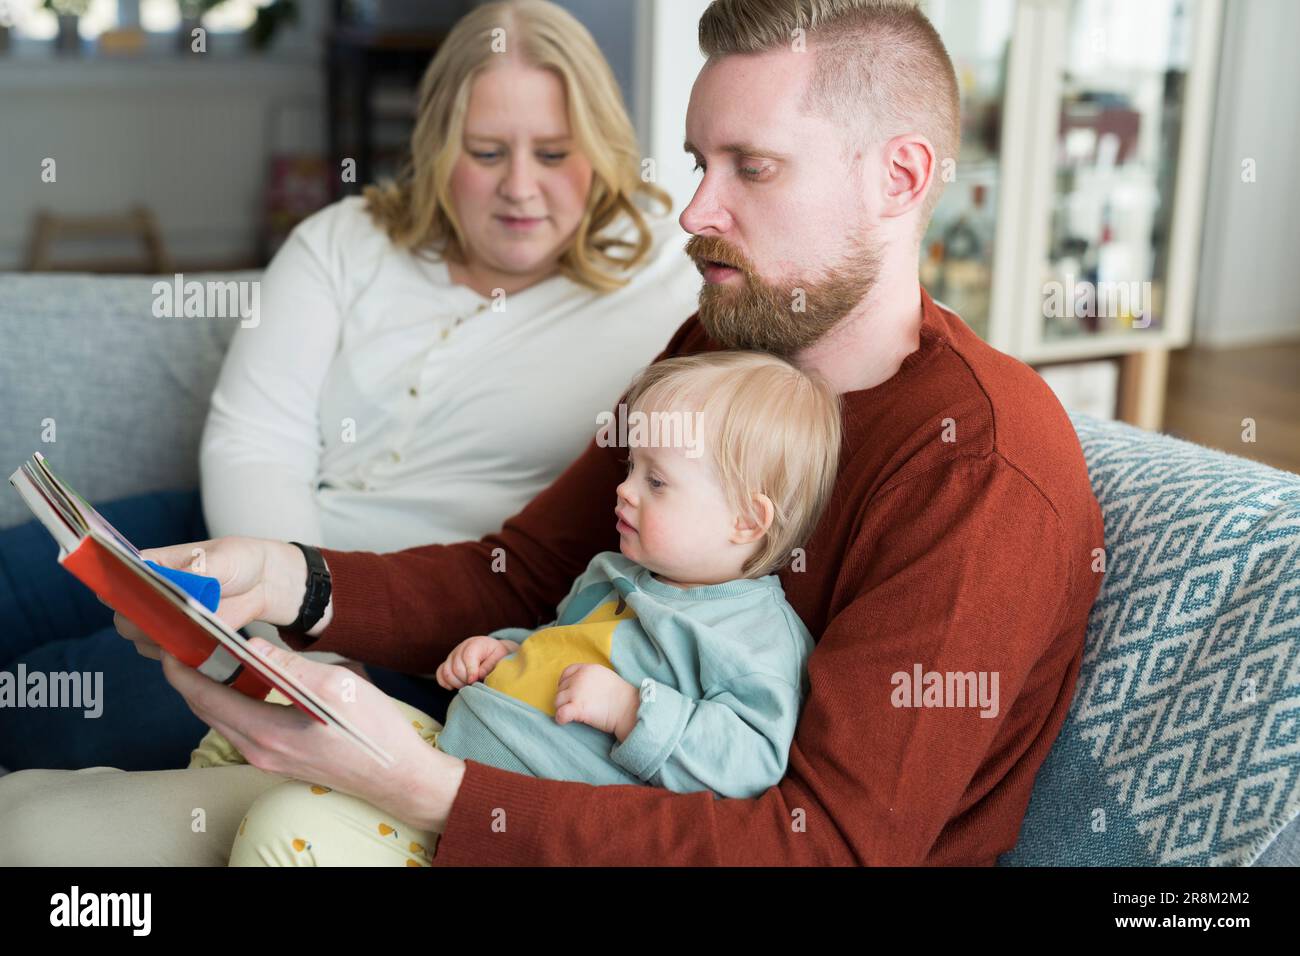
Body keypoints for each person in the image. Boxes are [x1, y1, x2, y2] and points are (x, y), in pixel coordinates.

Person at [0, 0, 1105, 867]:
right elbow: (522, 569)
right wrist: (293, 576)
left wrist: (428, 791)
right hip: (501, 784)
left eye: (751, 168)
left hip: (536, 819)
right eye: (696, 160)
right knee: (33, 829)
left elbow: (831, 843)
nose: (692, 212)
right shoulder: (717, 342)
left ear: (902, 178)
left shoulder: (978, 467)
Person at [0, 0, 700, 772]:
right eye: (488, 152)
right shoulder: (345, 239)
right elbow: (256, 441)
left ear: (602, 149)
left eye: (555, 152)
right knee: (14, 581)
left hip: (416, 614)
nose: (522, 188)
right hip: (236, 528)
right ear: (438, 147)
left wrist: (321, 640)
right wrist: (285, 628)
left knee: (66, 699)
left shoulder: (666, 284)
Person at [193, 351, 840, 865]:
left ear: (746, 521)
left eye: (657, 481)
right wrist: (503, 649)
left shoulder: (752, 637)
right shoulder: (618, 572)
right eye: (631, 467)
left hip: (494, 824)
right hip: (451, 747)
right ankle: (204, 795)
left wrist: (632, 710)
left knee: (286, 831)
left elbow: (754, 763)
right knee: (273, 700)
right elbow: (556, 642)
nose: (623, 490)